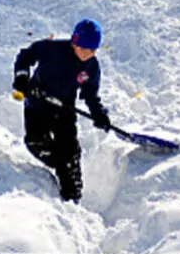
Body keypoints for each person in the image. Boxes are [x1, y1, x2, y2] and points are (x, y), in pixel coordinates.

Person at [12, 18, 112, 203]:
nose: (85, 54)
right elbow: (26, 56)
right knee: (36, 142)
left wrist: (99, 113)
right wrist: (22, 77)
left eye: (91, 51)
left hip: (64, 110)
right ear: (74, 42)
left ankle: (73, 196)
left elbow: (90, 93)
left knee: (70, 152)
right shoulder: (52, 49)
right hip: (37, 105)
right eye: (82, 48)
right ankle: (60, 167)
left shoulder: (91, 66)